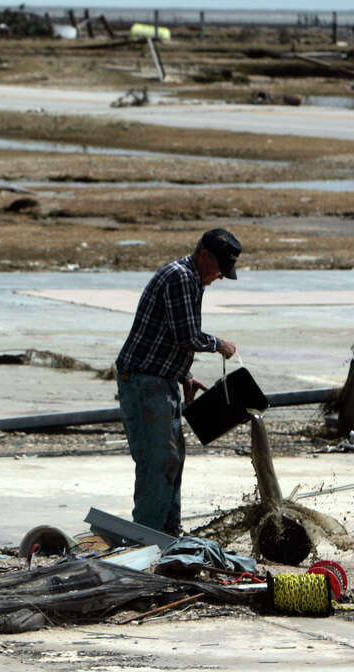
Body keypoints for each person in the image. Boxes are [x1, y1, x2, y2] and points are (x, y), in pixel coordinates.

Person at [114, 228, 241, 535]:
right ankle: (146, 538)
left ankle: (169, 533)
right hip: (145, 383)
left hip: (161, 381)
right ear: (204, 255)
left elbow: (164, 336)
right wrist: (218, 344)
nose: (221, 277)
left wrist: (185, 375)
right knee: (157, 462)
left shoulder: (192, 280)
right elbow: (186, 336)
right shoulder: (180, 278)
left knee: (172, 459)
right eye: (219, 269)